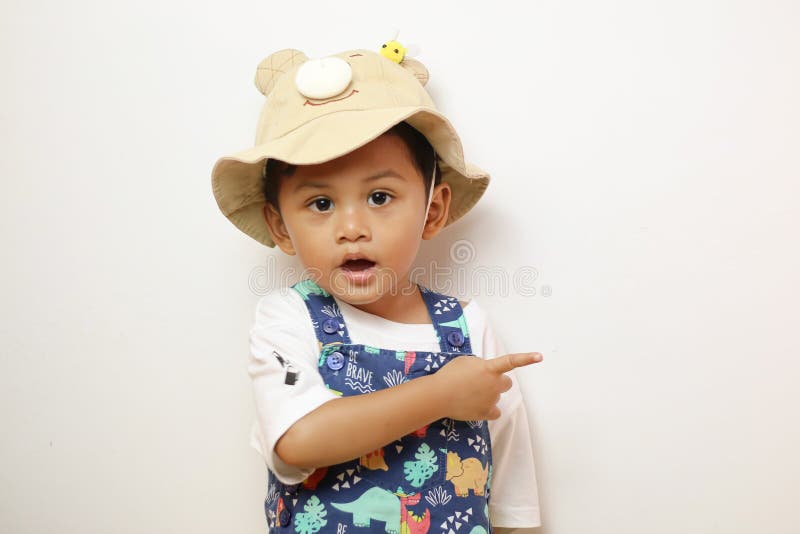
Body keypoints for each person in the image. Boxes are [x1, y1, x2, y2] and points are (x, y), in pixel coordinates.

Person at [211, 44, 544, 533]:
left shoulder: (465, 329)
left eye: (379, 196)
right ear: (280, 226)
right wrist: (441, 394)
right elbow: (298, 441)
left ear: (432, 211)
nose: (351, 227)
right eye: (321, 202)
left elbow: (512, 486)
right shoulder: (289, 319)